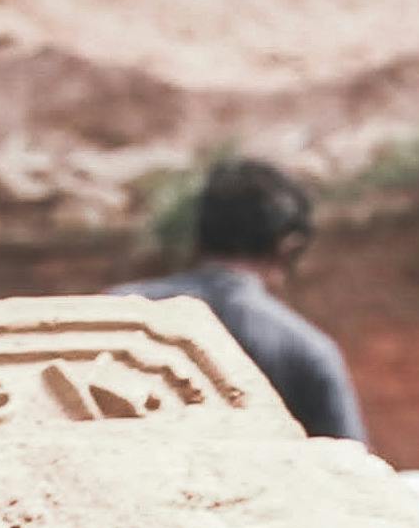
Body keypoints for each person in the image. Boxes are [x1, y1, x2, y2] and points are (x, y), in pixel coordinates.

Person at [125, 153, 363, 438]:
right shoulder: (308, 352)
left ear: (200, 235)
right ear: (287, 248)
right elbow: (354, 466)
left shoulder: (118, 310)